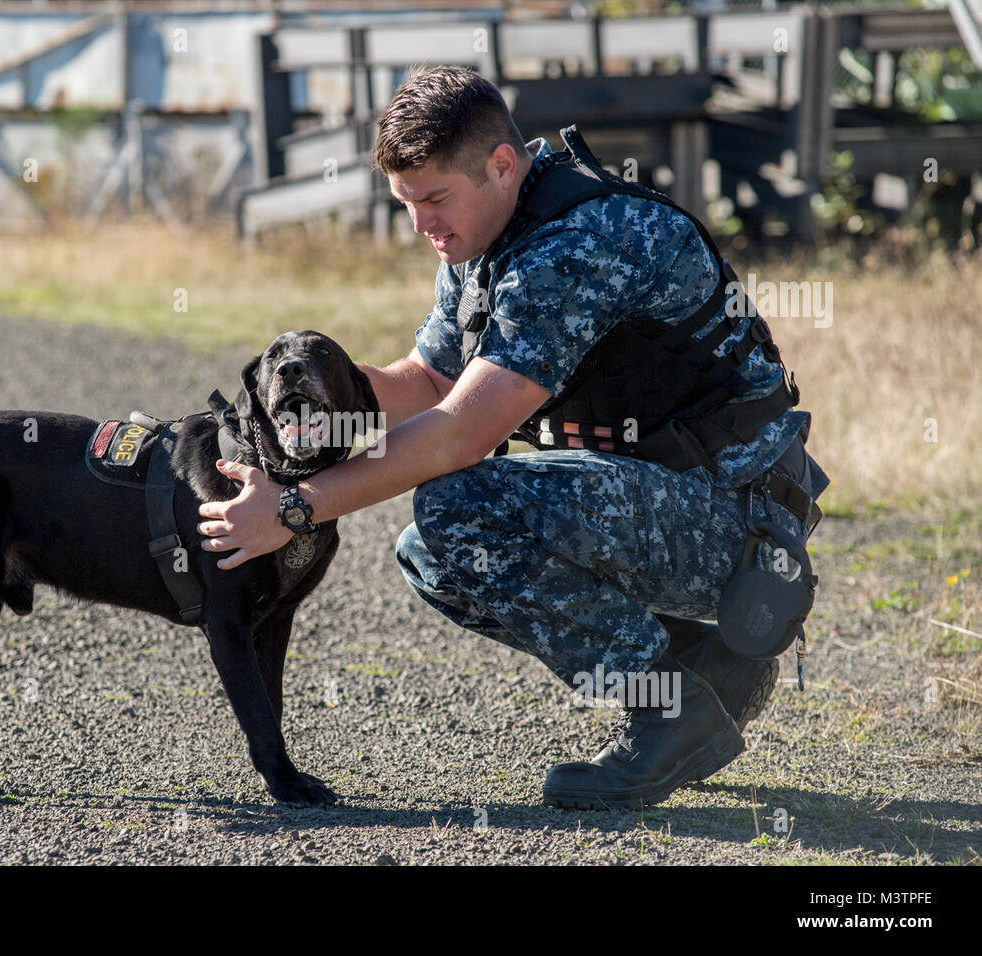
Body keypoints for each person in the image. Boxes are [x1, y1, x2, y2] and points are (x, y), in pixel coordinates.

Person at [197, 66, 828, 809]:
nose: (422, 225)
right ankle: (706, 669)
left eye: (434, 199)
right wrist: (309, 387)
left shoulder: (579, 242)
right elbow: (430, 385)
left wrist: (297, 509)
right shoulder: (484, 240)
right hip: (664, 509)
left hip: (739, 528)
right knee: (429, 553)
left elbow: (459, 434)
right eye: (406, 204)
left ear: (503, 165)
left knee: (458, 508)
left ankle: (670, 715)